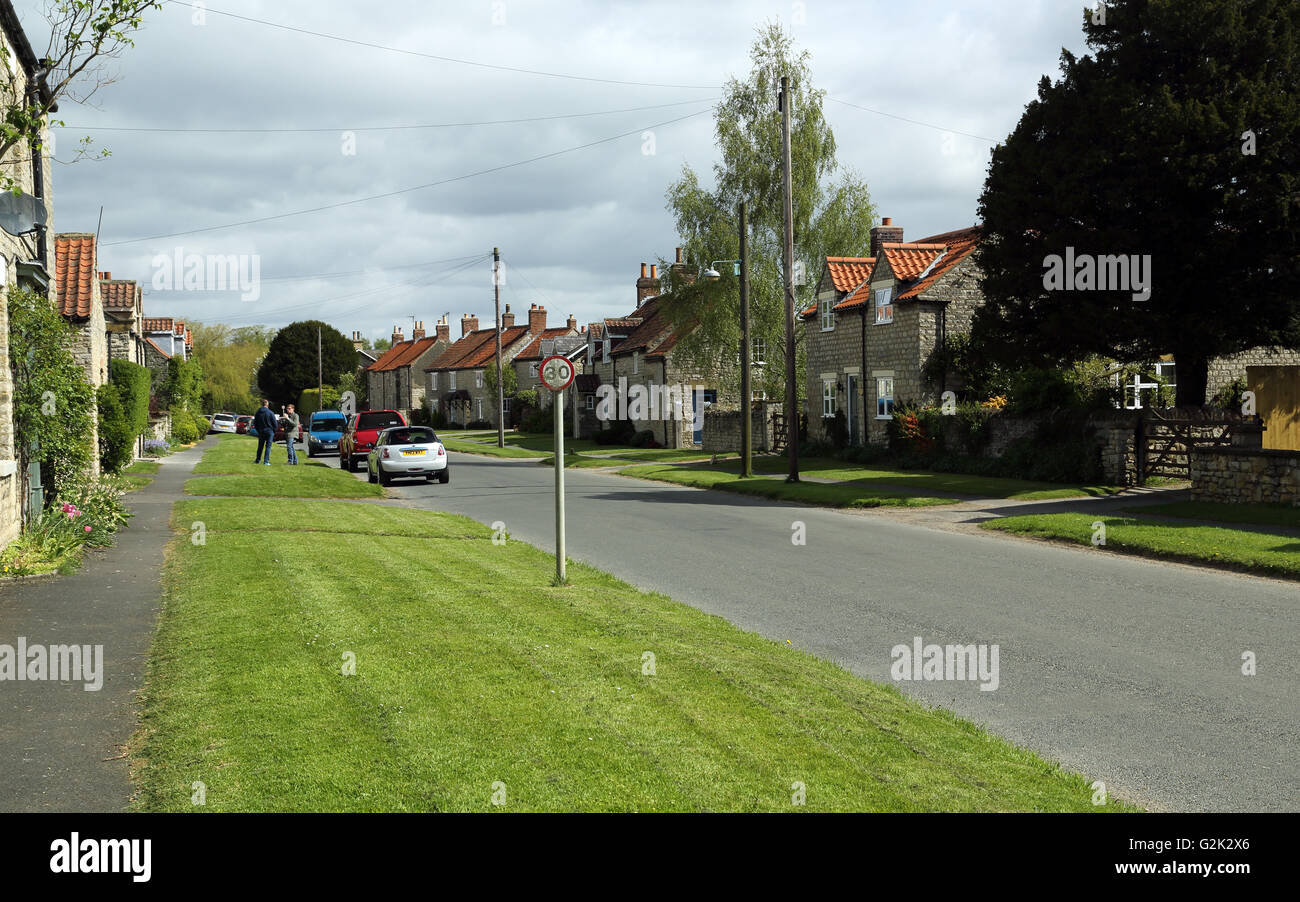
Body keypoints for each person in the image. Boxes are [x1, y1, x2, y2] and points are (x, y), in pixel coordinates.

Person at [252, 399, 277, 465]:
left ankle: (258, 460)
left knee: (260, 446)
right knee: (268, 447)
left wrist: (258, 430)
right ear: (267, 405)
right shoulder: (270, 413)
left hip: (261, 431)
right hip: (269, 431)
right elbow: (275, 424)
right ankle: (266, 461)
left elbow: (255, 423)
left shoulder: (258, 412)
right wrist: (273, 431)